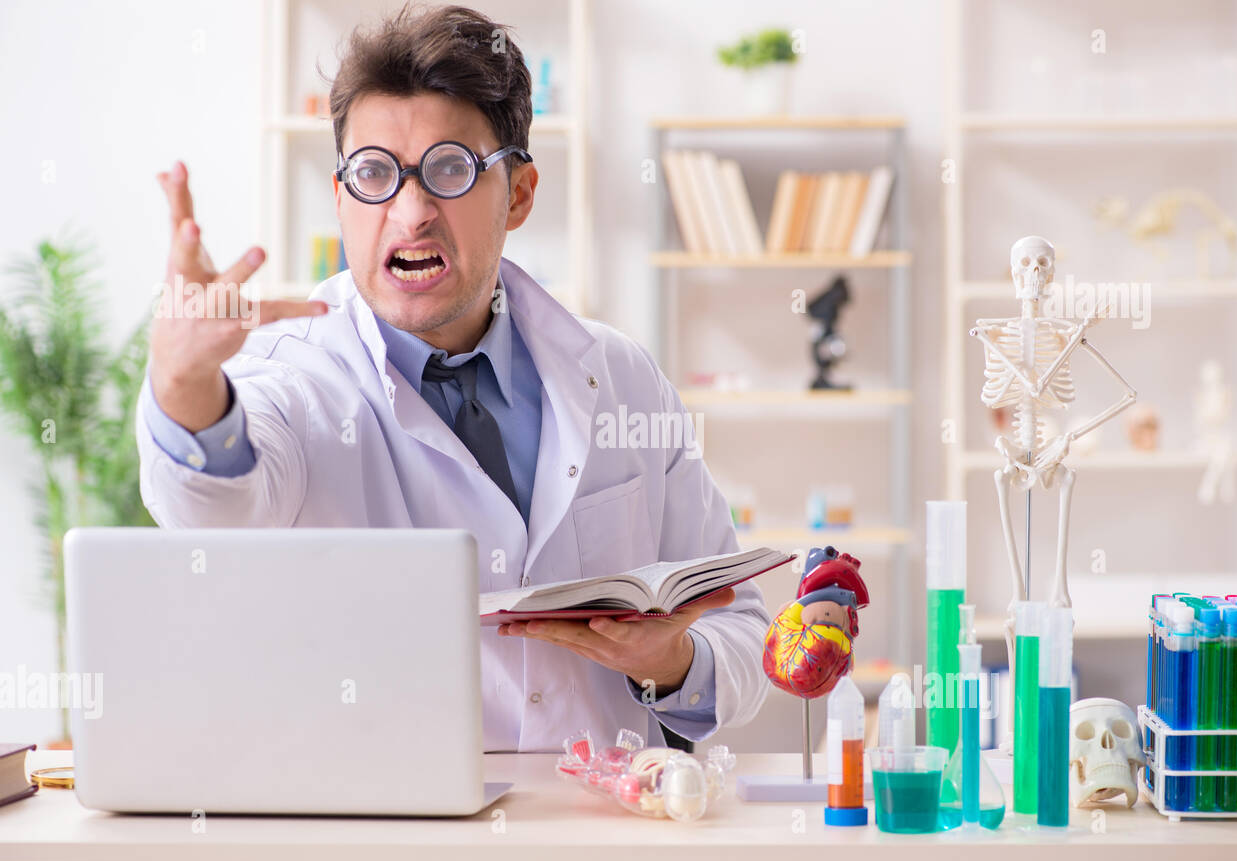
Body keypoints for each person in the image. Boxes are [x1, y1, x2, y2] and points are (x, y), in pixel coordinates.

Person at [138, 4, 769, 751]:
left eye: (449, 169)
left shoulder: (622, 379)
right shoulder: (294, 375)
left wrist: (673, 661)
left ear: (520, 195)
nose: (410, 214)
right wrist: (181, 385)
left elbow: (742, 628)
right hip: (393, 840)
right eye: (374, 173)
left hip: (605, 836)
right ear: (340, 198)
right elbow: (215, 508)